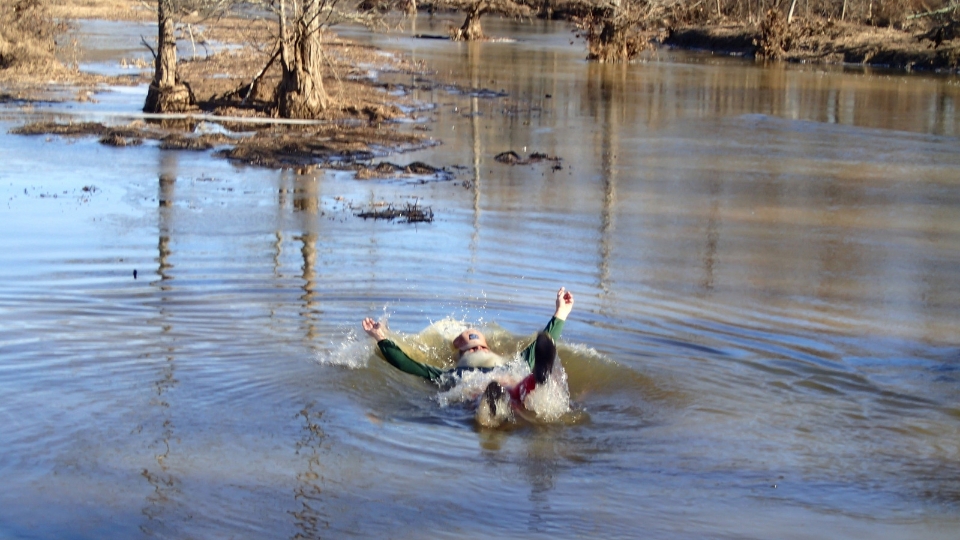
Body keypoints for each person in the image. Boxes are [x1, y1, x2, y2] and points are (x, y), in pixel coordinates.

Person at [361, 288, 575, 406]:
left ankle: (515, 390)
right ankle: (531, 383)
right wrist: (561, 313)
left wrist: (381, 339)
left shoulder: (454, 373)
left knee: (501, 388)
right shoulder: (456, 372)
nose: (476, 349)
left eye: (477, 347)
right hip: (492, 382)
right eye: (473, 347)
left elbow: (408, 365)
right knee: (512, 387)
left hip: (489, 382)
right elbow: (409, 365)